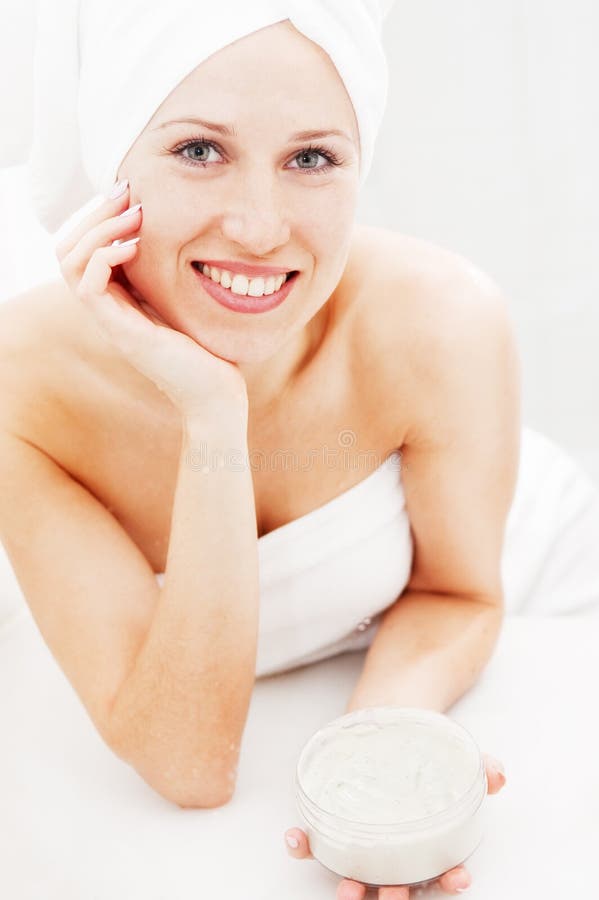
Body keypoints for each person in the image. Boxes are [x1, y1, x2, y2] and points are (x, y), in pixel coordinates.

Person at [0, 3, 553, 898]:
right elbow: (188, 765)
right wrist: (213, 414)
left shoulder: (442, 320)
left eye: (311, 159)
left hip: (535, 601)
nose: (260, 228)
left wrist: (377, 760)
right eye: (198, 150)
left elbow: (456, 595)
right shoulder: (23, 386)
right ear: (112, 161)